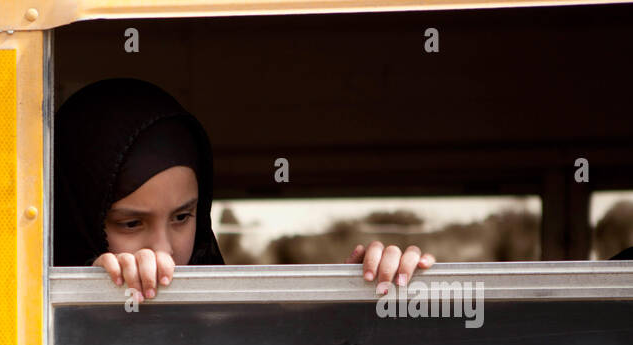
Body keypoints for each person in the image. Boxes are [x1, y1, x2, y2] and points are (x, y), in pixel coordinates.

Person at [54, 78, 434, 301]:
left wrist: (364, 296)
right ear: (74, 222)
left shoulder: (224, 321)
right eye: (131, 224)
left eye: (183, 217)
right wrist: (85, 296)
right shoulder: (16, 331)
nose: (165, 251)